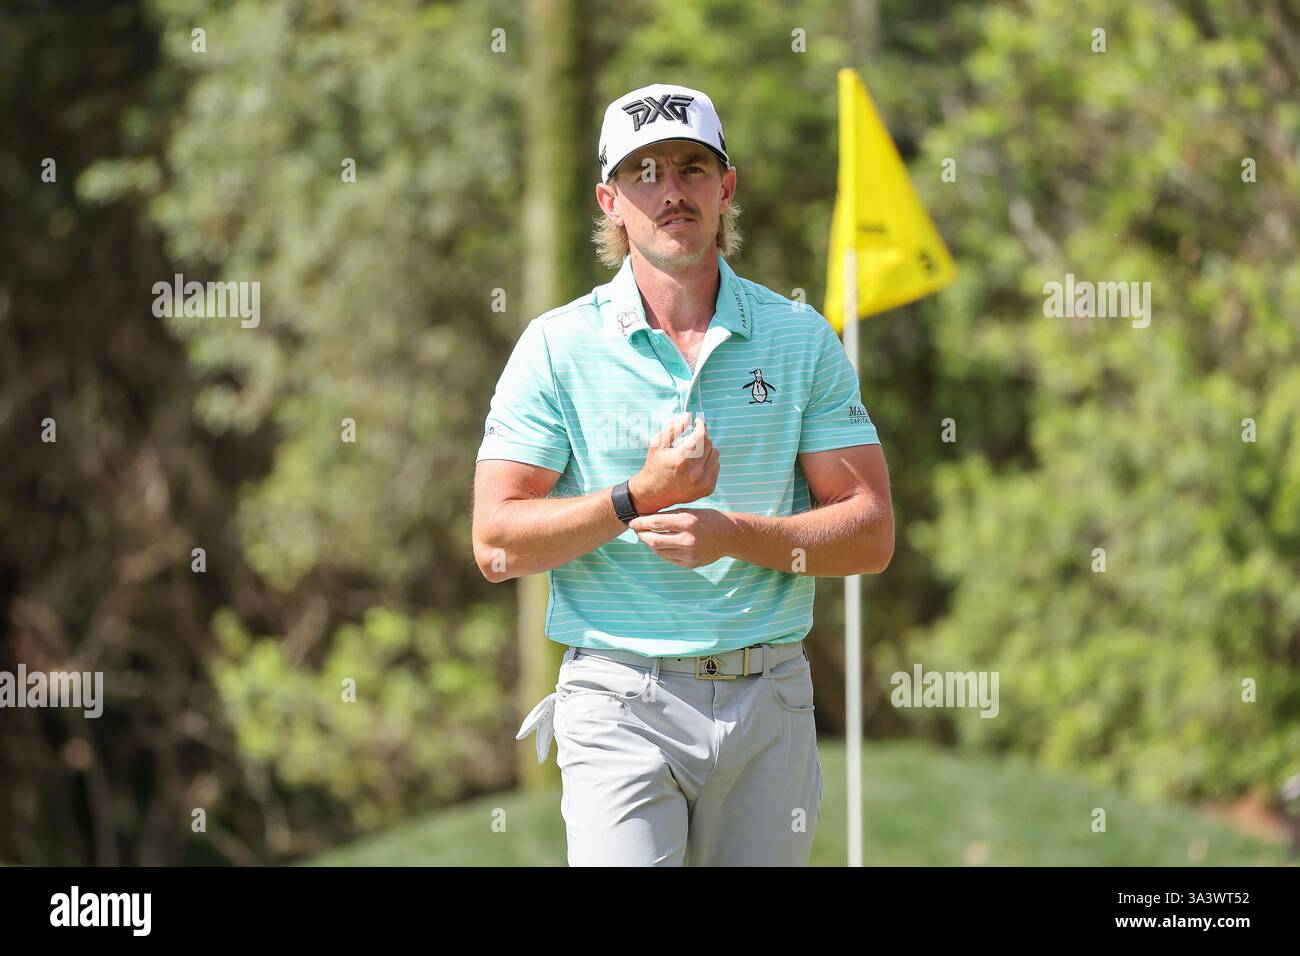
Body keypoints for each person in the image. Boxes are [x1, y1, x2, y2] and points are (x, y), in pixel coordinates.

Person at [472, 83, 893, 865]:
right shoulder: (556, 346)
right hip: (616, 697)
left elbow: (868, 533)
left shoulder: (800, 338)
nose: (672, 190)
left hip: (770, 696)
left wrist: (731, 534)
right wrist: (639, 497)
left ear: (725, 186)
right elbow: (497, 543)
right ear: (611, 200)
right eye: (645, 172)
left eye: (693, 167)